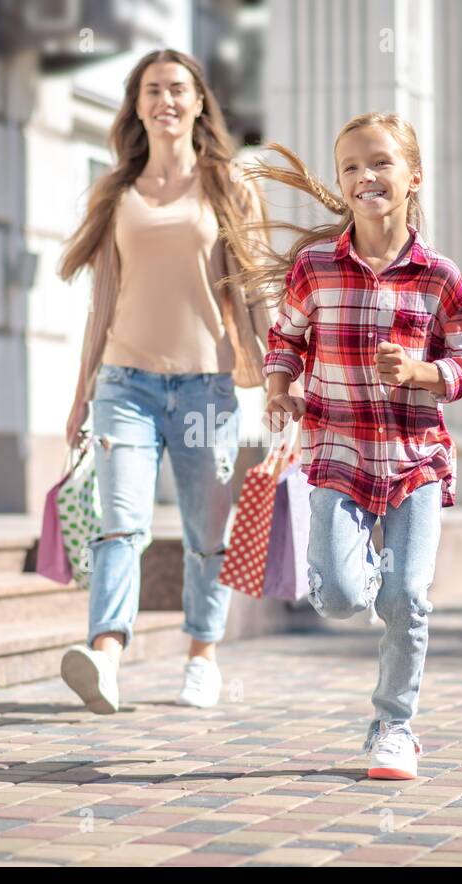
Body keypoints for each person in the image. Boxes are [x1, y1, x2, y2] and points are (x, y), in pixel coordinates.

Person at [235, 112, 462, 779]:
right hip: (339, 458)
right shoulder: (316, 268)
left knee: (409, 596)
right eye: (350, 166)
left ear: (413, 177)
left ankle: (395, 726)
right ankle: (383, 593)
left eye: (379, 162)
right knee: (342, 596)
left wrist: (422, 372)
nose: (364, 176)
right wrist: (279, 382)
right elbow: (285, 337)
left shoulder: (439, 277)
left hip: (416, 461)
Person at [56, 49, 276, 714]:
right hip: (125, 385)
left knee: (206, 531)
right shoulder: (117, 194)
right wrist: (79, 396)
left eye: (178, 89)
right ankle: (107, 654)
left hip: (206, 387)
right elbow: (102, 303)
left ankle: (202, 655)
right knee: (119, 522)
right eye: (153, 90)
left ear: (200, 103)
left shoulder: (230, 185)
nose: (166, 101)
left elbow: (257, 288)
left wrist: (280, 377)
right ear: (137, 105)